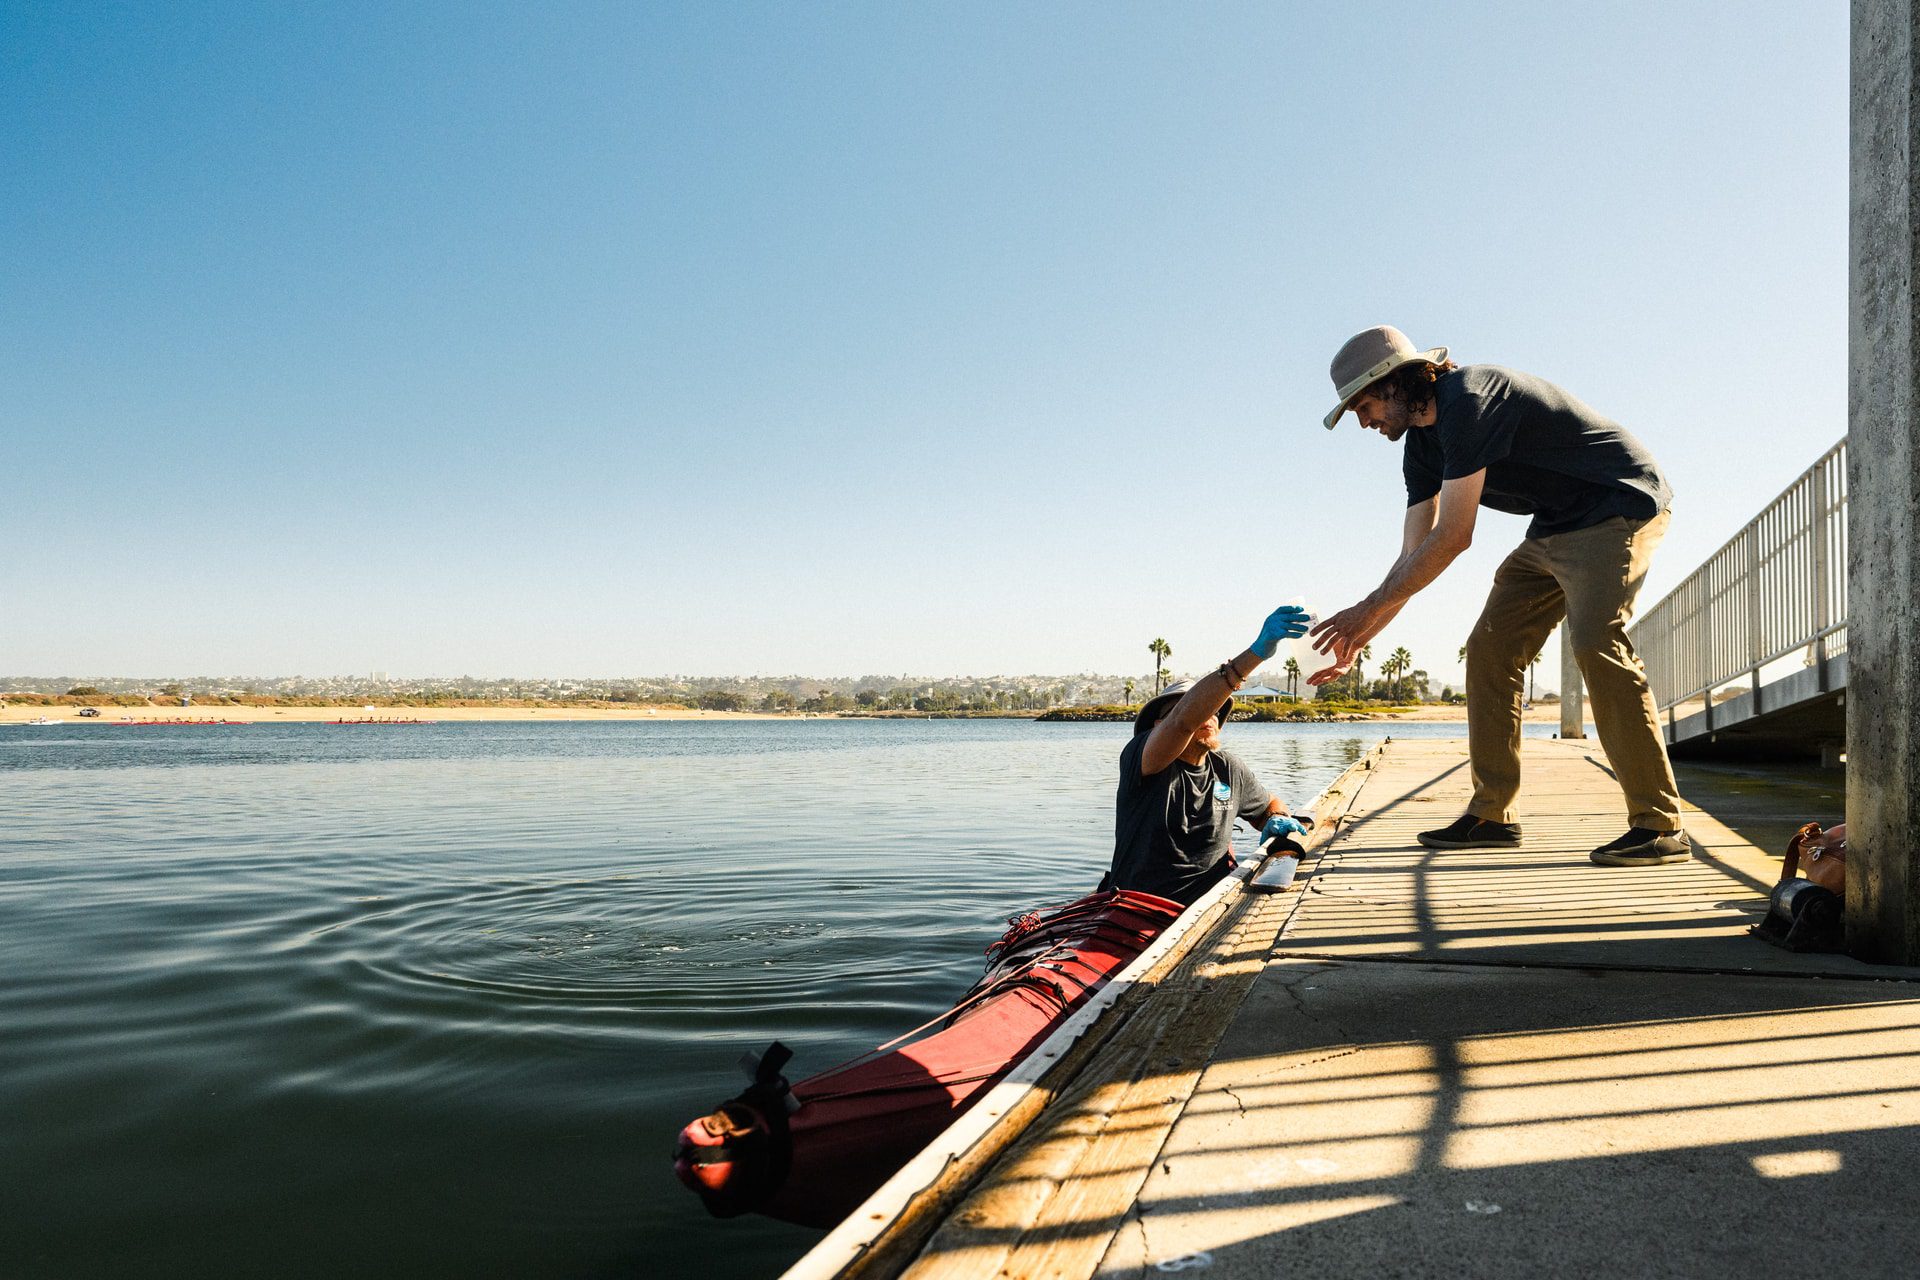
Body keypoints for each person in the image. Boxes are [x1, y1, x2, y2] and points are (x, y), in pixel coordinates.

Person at [1308, 325, 1688, 867]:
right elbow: (1411, 559)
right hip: (1554, 524)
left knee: (1595, 640)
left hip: (1618, 504)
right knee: (1490, 651)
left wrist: (1363, 611)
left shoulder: (1470, 398)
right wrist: (1357, 638)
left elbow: (1454, 537)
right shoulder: (1420, 447)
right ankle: (1492, 814)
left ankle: (1661, 825)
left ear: (1394, 383)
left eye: (1363, 405)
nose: (1363, 421)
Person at [1105, 605, 1313, 905]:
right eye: (1199, 708)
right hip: (1138, 906)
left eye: (1215, 710)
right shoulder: (1143, 759)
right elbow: (1183, 721)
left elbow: (1267, 803)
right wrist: (1253, 655)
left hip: (1207, 906)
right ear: (1157, 726)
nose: (1210, 715)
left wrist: (1275, 818)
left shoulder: (1228, 768)